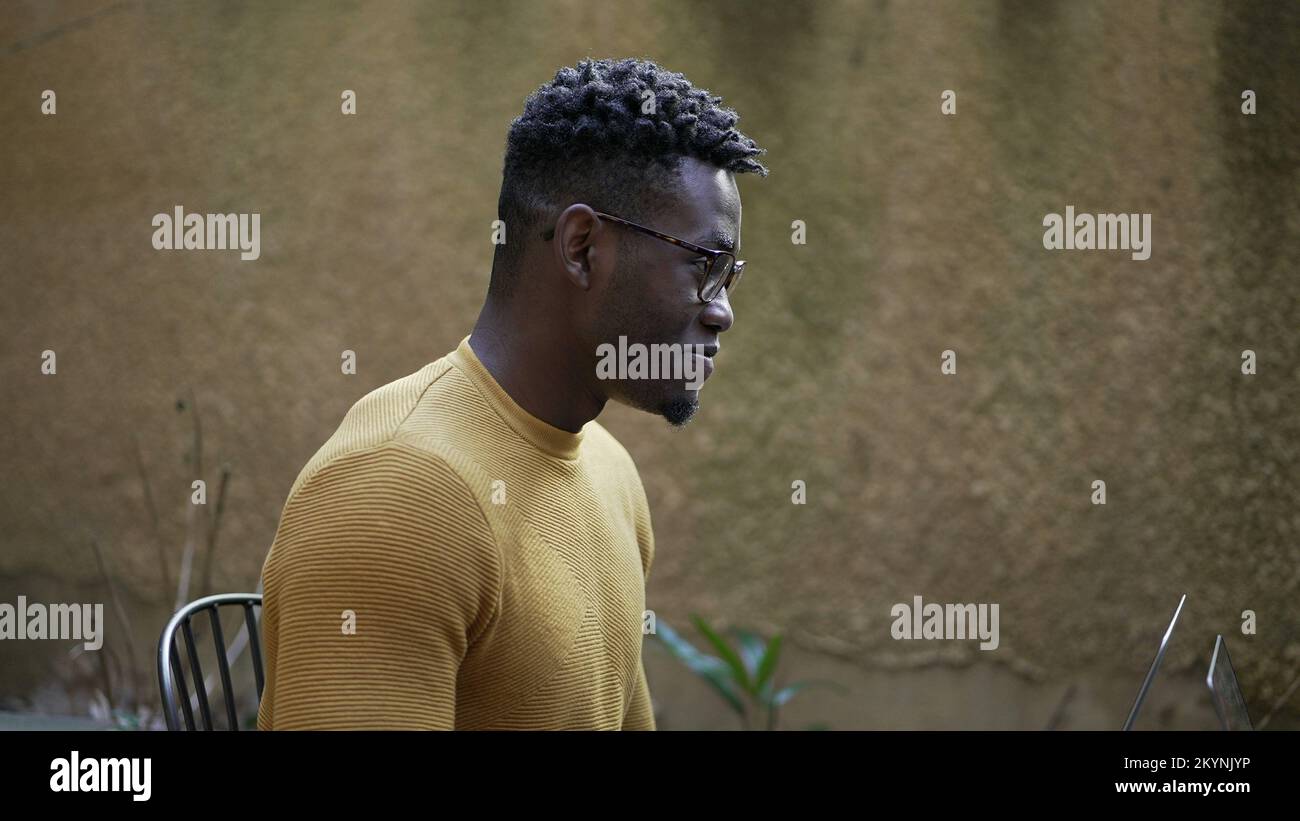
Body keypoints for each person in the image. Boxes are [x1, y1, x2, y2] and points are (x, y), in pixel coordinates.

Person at [256, 57, 767, 730]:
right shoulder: (395, 497)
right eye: (704, 265)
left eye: (730, 276)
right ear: (581, 246)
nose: (722, 310)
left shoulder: (610, 472)